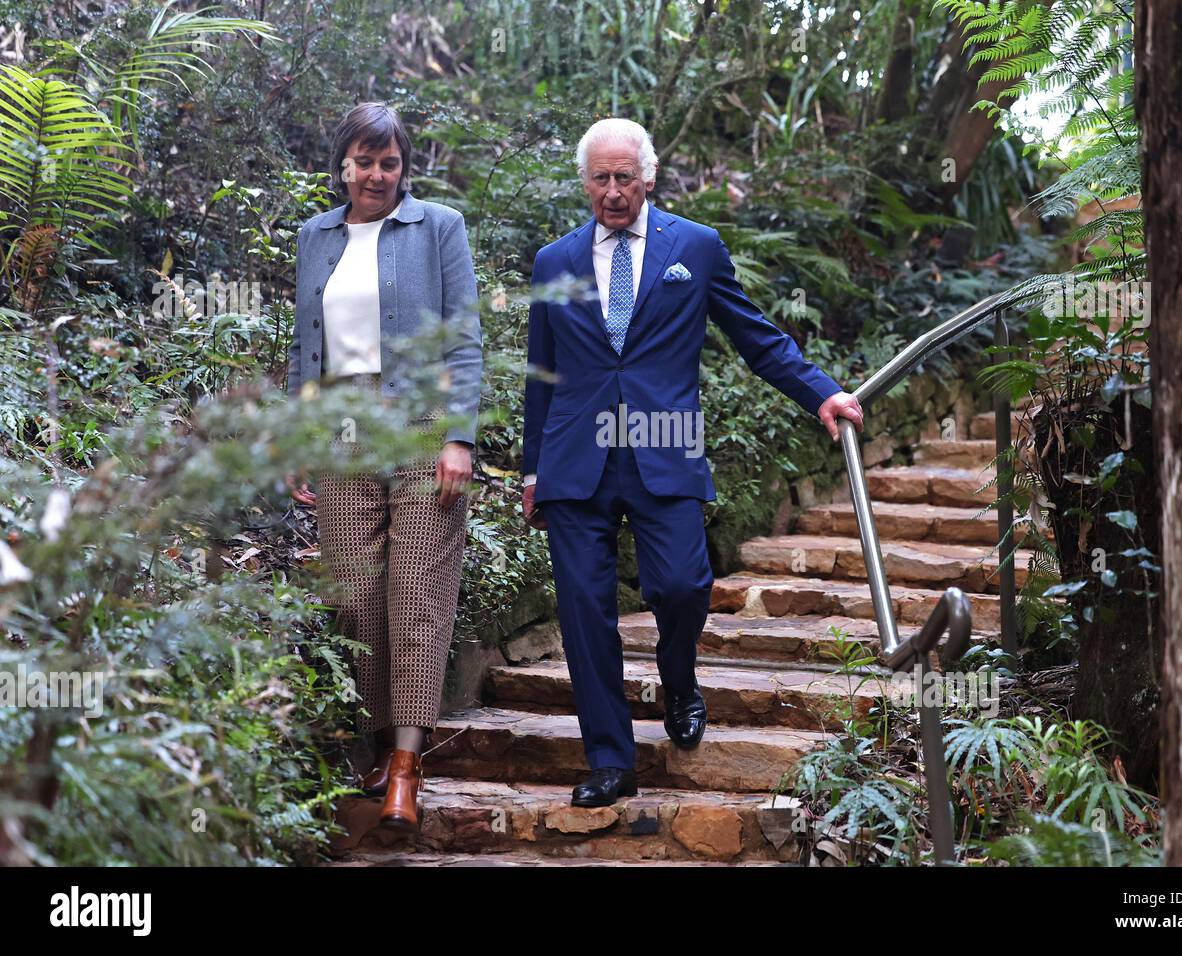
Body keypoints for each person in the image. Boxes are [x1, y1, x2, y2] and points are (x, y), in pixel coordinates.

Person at [521, 118, 863, 807]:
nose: (613, 192)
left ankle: (678, 676)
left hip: (664, 443)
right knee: (586, 613)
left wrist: (821, 391)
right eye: (600, 178)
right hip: (574, 457)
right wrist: (532, 470)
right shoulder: (553, 260)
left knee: (682, 586)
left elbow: (756, 338)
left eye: (625, 177)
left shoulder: (696, 248)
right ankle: (611, 760)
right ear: (584, 182)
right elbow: (541, 372)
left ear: (648, 177)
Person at [285, 102, 481, 831]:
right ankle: (372, 750)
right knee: (354, 595)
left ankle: (406, 764)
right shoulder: (315, 236)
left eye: (388, 162)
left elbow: (462, 340)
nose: (375, 174)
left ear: (405, 167)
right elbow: (305, 347)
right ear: (343, 164)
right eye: (363, 161)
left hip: (422, 420)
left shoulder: (439, 229)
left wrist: (459, 437)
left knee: (417, 591)